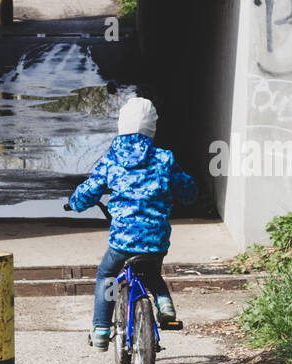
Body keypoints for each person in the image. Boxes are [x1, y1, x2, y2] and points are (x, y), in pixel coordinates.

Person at [64, 96, 198, 351]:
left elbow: (87, 193)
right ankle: (165, 304)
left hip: (122, 240)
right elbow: (188, 190)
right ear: (152, 129)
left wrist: (74, 203)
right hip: (155, 238)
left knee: (107, 275)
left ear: (121, 126)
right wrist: (185, 197)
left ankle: (102, 328)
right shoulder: (164, 159)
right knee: (151, 272)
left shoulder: (111, 161)